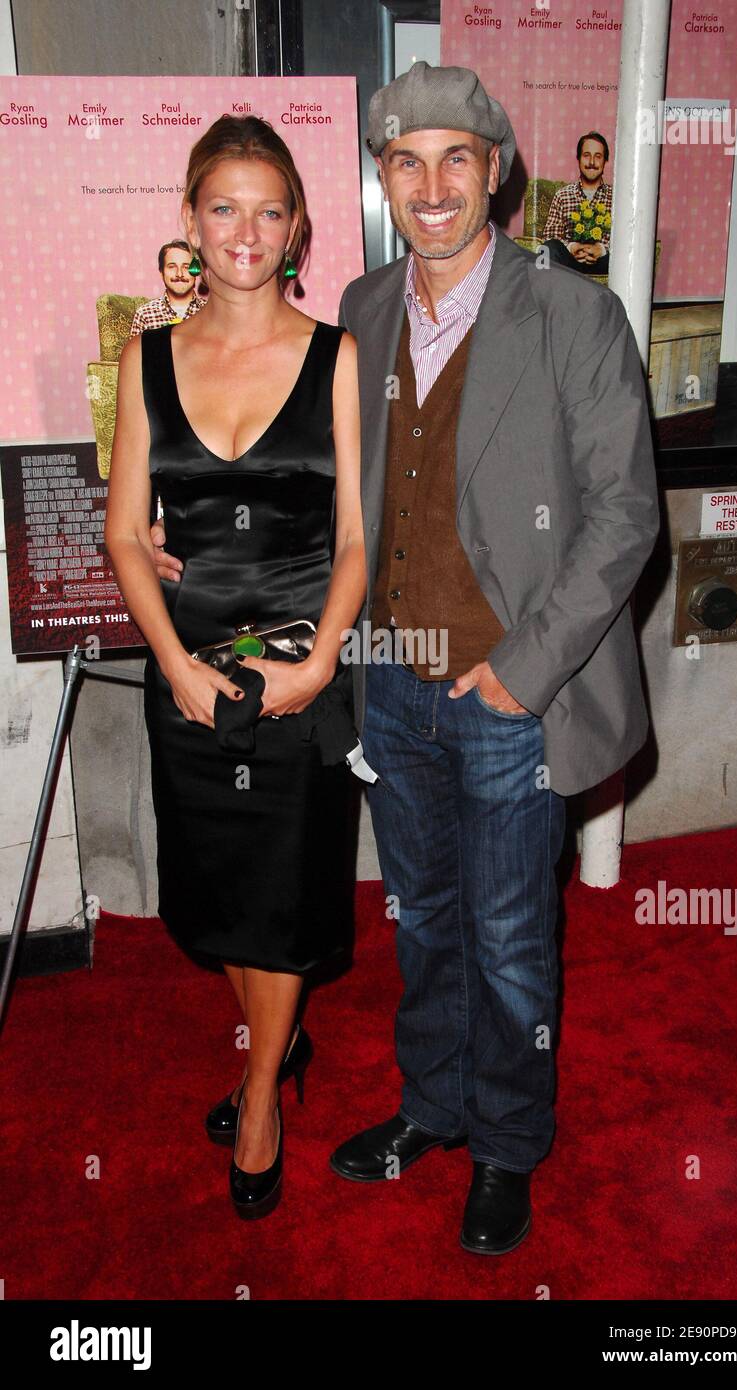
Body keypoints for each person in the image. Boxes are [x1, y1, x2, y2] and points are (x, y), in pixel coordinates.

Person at [152, 63, 659, 1256]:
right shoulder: (363, 306)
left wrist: (525, 670)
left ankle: (506, 1144)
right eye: (404, 160)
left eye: (455, 159)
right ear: (381, 179)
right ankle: (431, 1106)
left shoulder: (572, 315)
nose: (430, 186)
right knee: (422, 920)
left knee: (511, 935)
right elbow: (307, 475)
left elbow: (624, 516)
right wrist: (182, 535)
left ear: (496, 173)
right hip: (389, 680)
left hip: (511, 693)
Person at [105, 114, 366, 1221]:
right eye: (224, 208)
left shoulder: (336, 355)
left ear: (298, 224)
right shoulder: (145, 358)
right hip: (189, 673)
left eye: (269, 210)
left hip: (303, 674)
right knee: (222, 899)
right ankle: (274, 1037)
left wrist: (319, 668)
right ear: (189, 221)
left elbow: (356, 537)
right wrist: (170, 662)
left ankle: (260, 1088)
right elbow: (126, 533)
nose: (245, 231)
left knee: (289, 899)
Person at [539, 131, 613, 274]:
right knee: (548, 248)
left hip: (604, 263)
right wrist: (572, 247)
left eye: (598, 156)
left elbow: (627, 241)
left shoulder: (617, 198)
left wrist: (601, 249)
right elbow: (549, 237)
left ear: (605, 161)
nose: (591, 162)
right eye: (586, 155)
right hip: (569, 264)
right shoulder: (563, 195)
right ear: (578, 159)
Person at [128, 239, 207, 335]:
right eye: (172, 266)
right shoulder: (145, 315)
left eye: (186, 267)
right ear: (162, 273)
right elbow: (136, 350)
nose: (179, 274)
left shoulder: (211, 312)